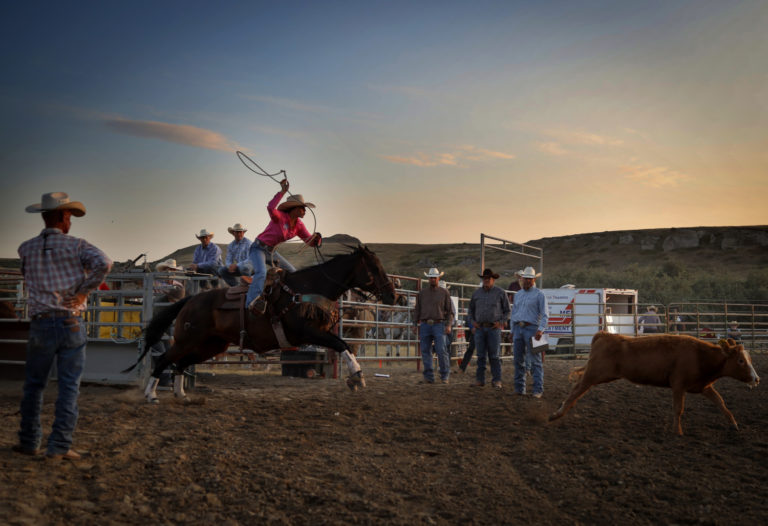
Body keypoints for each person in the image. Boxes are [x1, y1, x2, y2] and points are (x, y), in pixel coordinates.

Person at [15, 192, 112, 460]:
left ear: (44, 217)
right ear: (62, 217)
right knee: (69, 387)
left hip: (41, 323)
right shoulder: (77, 245)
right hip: (69, 321)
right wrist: (82, 292)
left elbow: (27, 276)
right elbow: (104, 263)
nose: (70, 221)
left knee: (34, 385)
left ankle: (28, 441)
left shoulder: (25, 248)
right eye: (68, 216)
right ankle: (58, 446)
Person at [246, 179, 321, 314]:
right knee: (261, 272)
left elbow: (309, 241)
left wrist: (317, 240)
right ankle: (250, 303)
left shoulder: (299, 225)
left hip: (272, 252)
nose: (305, 211)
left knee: (293, 272)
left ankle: (286, 301)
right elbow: (270, 208)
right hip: (258, 248)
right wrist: (282, 192)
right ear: (295, 209)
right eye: (303, 208)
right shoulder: (279, 217)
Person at [510, 266, 549, 398]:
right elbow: (514, 312)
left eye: (528, 279)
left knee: (536, 361)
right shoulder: (519, 294)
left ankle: (538, 389)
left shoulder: (540, 294)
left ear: (533, 280)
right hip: (519, 328)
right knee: (518, 360)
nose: (526, 281)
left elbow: (545, 315)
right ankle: (520, 388)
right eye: (524, 279)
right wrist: (512, 330)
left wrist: (541, 330)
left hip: (533, 328)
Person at [468, 268, 510, 389]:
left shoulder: (500, 293)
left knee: (494, 356)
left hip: (493, 328)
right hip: (480, 327)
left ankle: (497, 380)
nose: (486, 280)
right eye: (484, 278)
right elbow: (470, 310)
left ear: (493, 279)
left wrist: (501, 322)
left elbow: (507, 311)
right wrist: (472, 322)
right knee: (480, 355)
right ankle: (480, 380)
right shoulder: (476, 294)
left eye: (488, 278)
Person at [413, 268, 454, 384]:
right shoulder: (422, 294)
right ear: (428, 279)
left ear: (438, 278)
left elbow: (450, 311)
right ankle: (429, 376)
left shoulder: (444, 292)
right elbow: (417, 310)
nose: (432, 279)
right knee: (425, 350)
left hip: (439, 324)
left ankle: (445, 375)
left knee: (441, 350)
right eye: (431, 277)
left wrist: (449, 324)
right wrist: (414, 323)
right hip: (425, 324)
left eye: (434, 278)